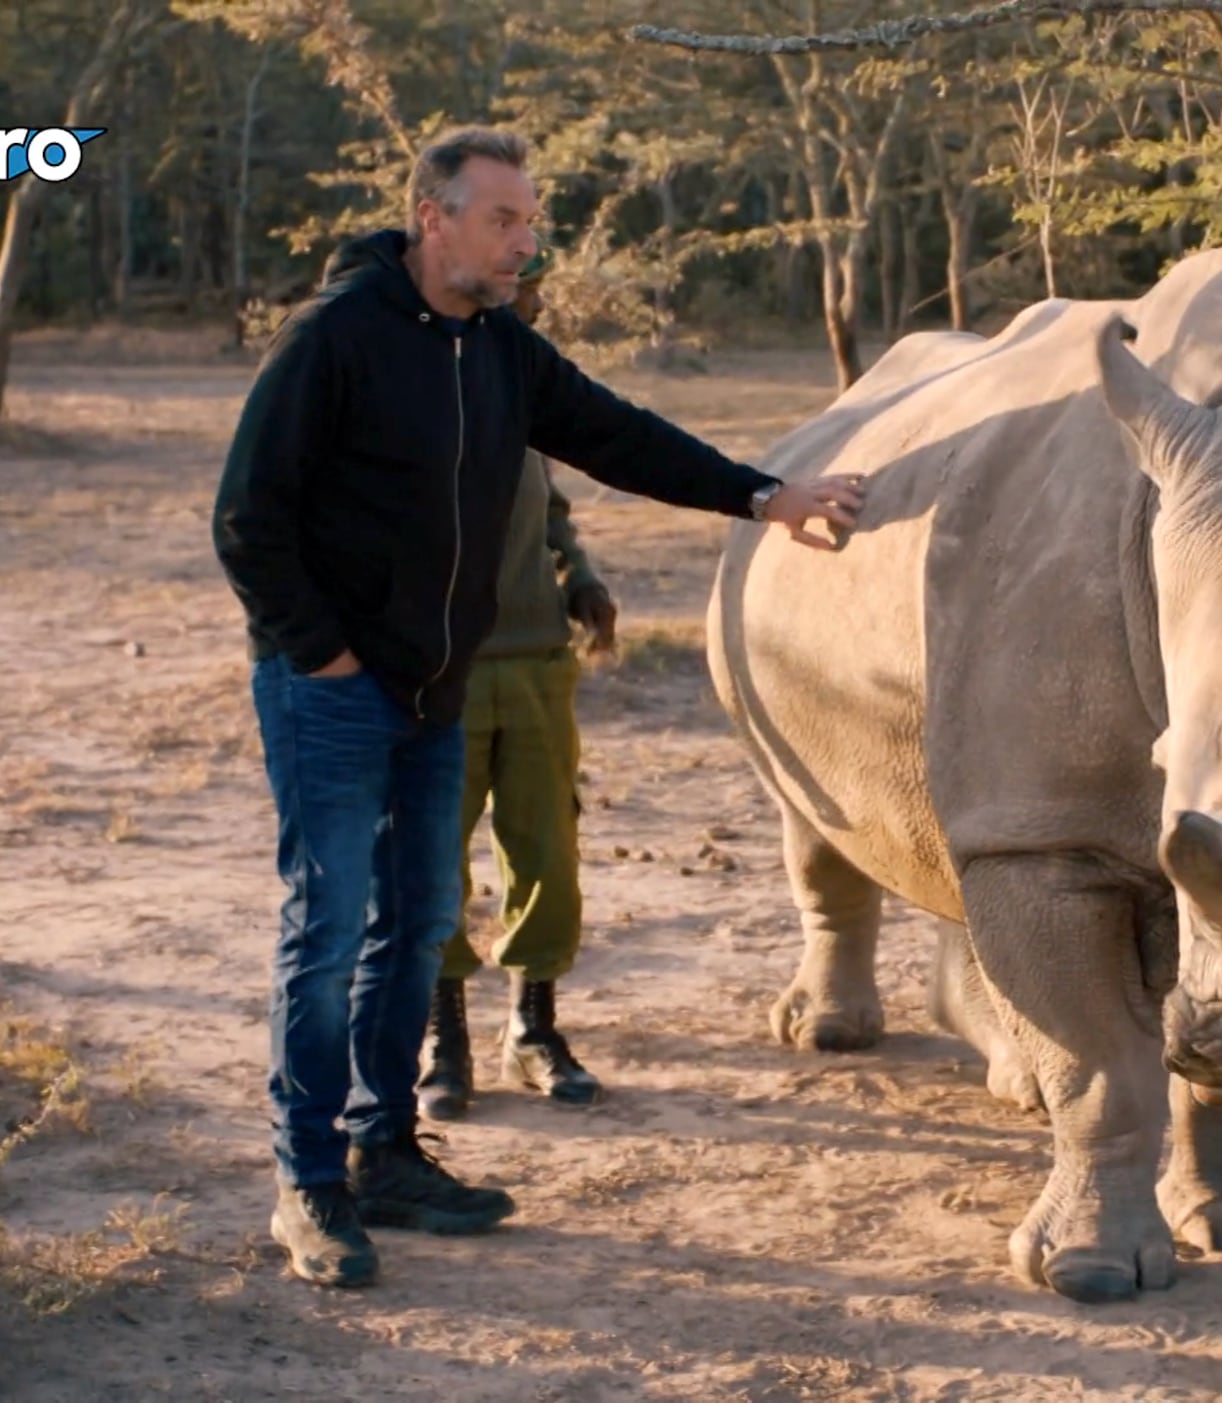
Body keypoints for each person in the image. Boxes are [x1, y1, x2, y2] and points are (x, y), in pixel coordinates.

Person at [212, 125, 864, 1290]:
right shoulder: (336, 338)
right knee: (325, 936)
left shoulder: (501, 350)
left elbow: (617, 436)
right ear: (434, 216)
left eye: (530, 221)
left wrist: (763, 494)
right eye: (504, 220)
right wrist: (322, 658)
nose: (527, 242)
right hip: (335, 698)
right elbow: (245, 518)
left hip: (433, 693)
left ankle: (385, 1153)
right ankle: (306, 1183)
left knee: (412, 927)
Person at [416, 247, 620, 1119]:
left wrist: (580, 576)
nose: (526, 302)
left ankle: (533, 1028)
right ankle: (442, 1036)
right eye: (516, 287)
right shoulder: (410, 379)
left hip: (538, 660)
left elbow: (551, 503)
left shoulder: (524, 385)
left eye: (532, 290)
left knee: (548, 850)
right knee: (431, 860)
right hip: (442, 668)